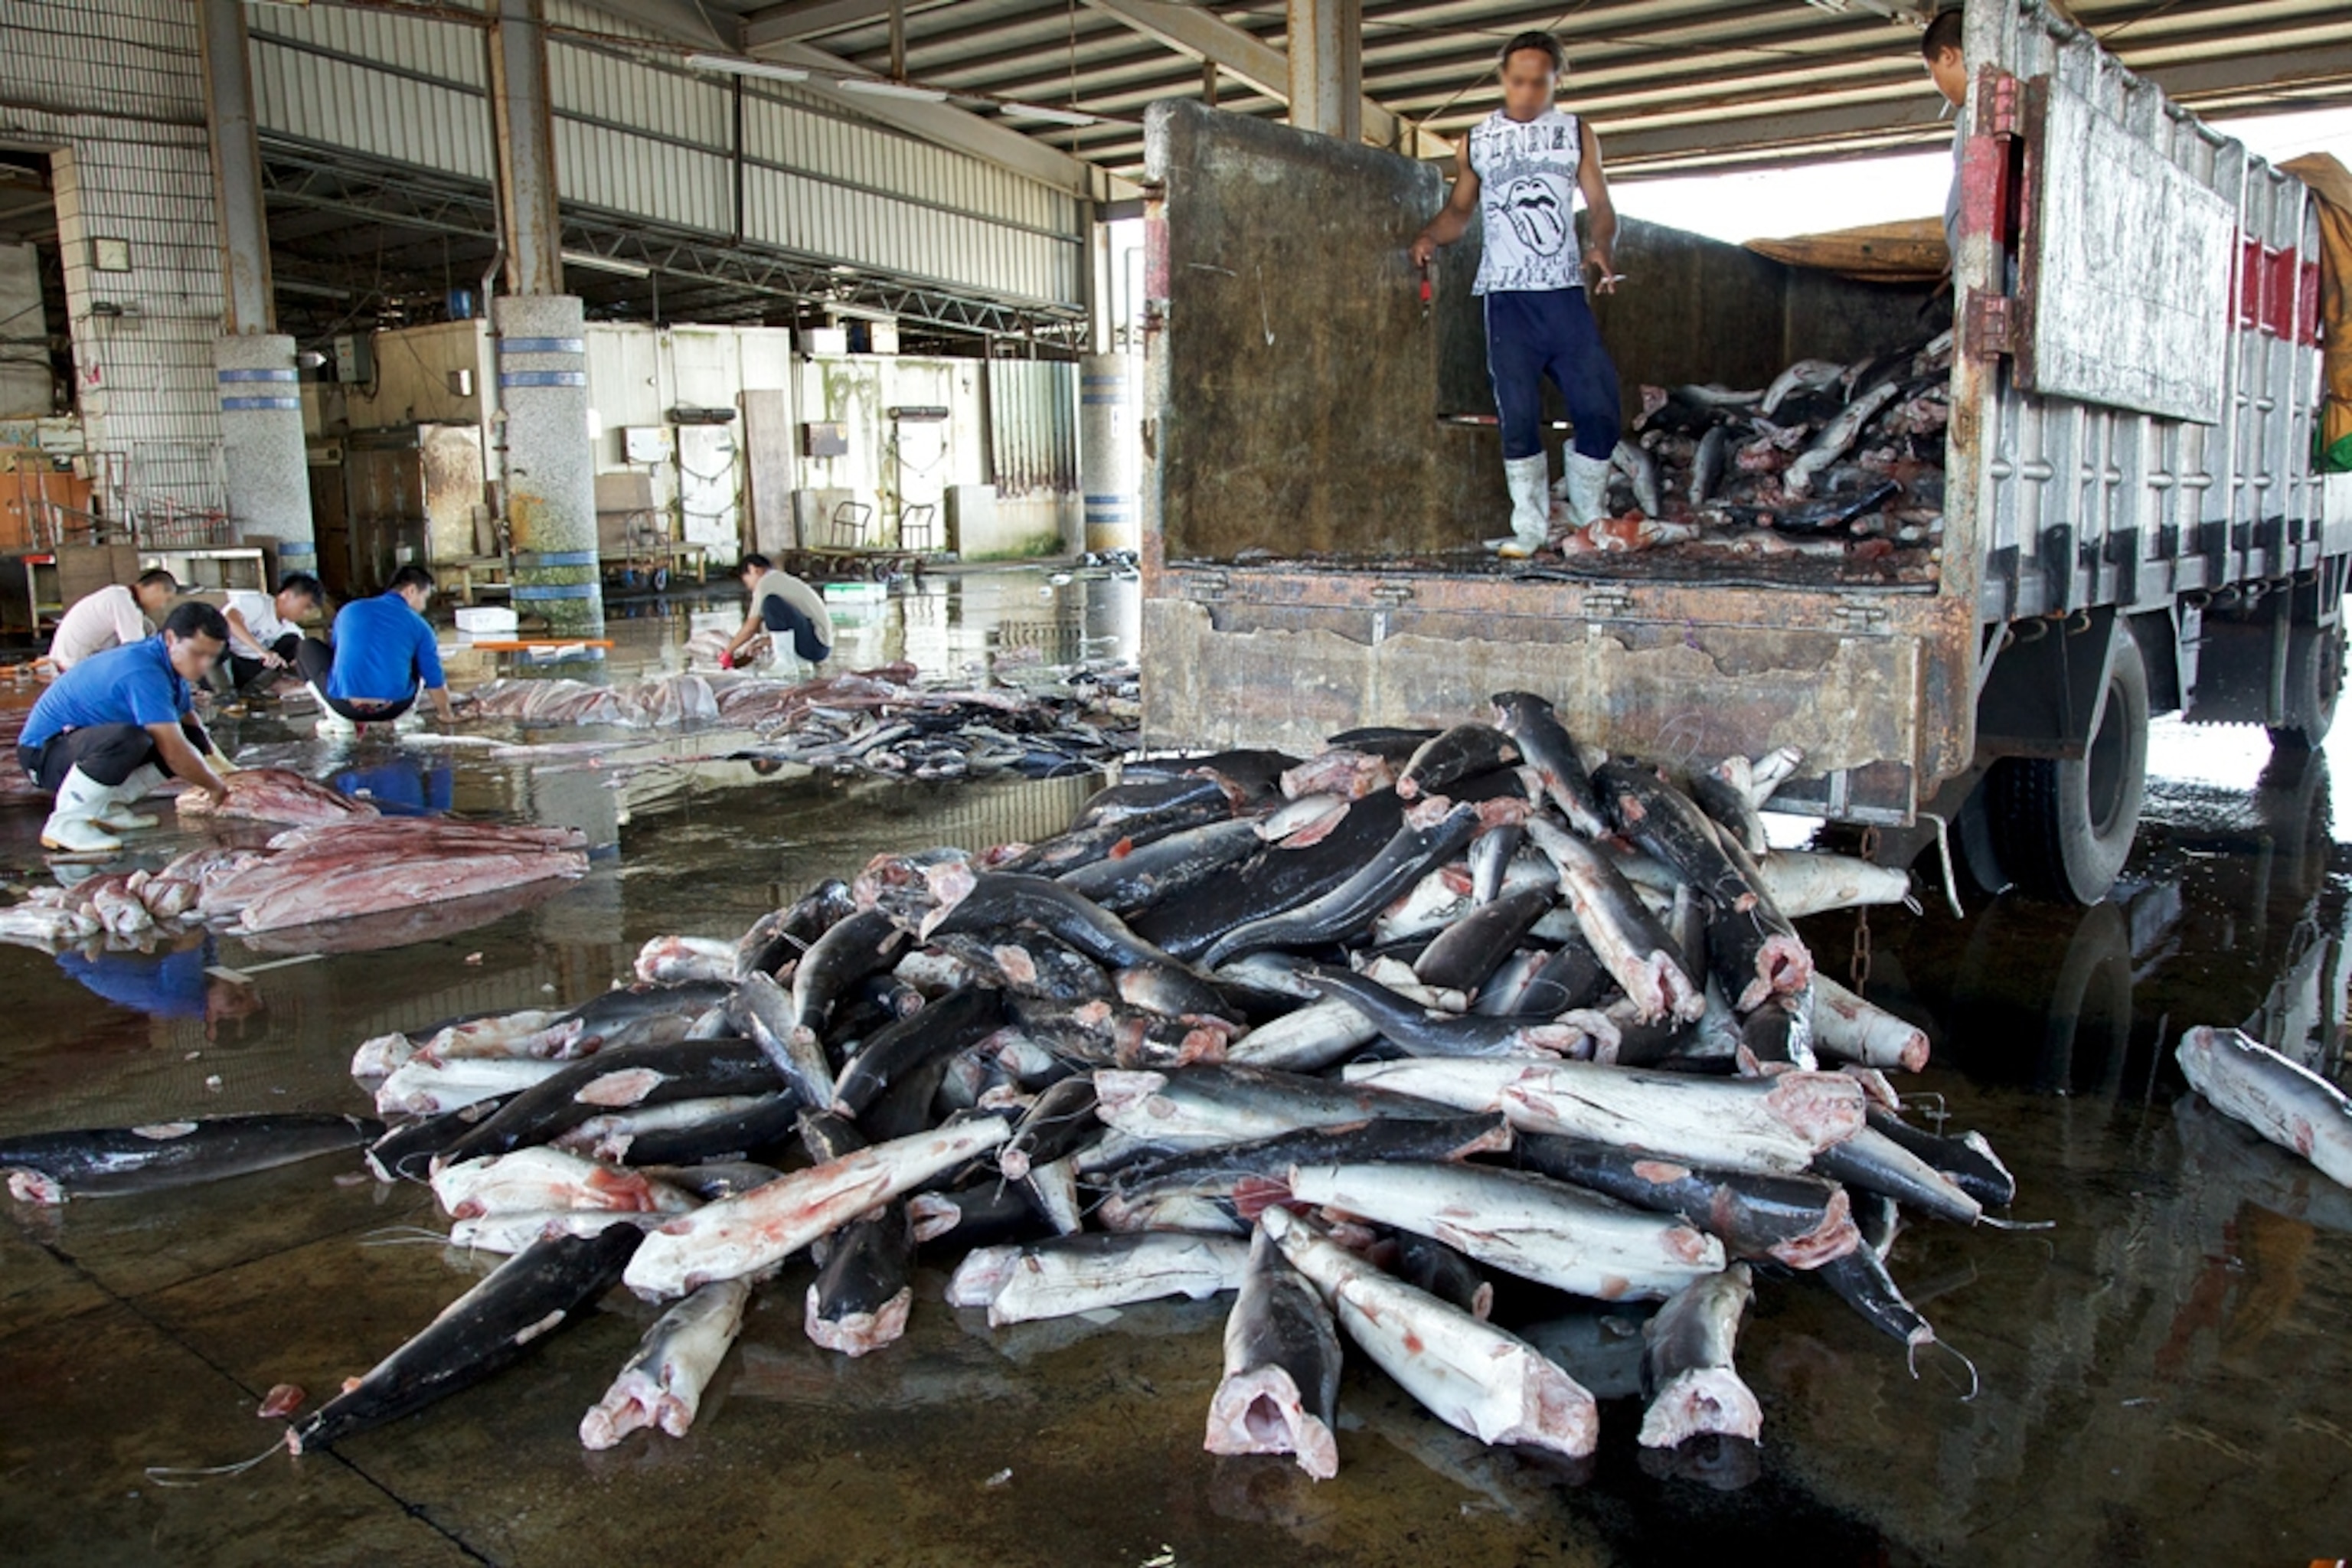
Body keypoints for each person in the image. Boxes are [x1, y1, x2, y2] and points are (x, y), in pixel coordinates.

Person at [1412, 31, 1624, 559]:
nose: (1527, 92)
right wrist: (1430, 236)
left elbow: (1600, 205)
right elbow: (1459, 212)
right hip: (1507, 300)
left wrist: (1601, 246)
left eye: (1539, 82)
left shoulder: (1576, 134)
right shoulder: (1477, 141)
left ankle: (1589, 518)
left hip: (1563, 296)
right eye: (1518, 81)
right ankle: (1529, 527)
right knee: (1518, 415)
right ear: (1504, 79)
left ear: (1556, 81)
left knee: (1599, 407)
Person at [17, 601, 234, 852]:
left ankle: (106, 808)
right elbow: (174, 752)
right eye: (198, 654)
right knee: (129, 740)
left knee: (193, 740)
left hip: (82, 744)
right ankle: (66, 824)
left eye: (212, 657)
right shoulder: (143, 671)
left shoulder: (169, 665)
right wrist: (215, 786)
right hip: (43, 754)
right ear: (171, 638)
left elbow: (189, 722)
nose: (205, 665)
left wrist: (223, 765)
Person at [294, 564, 455, 737]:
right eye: (424, 598)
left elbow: (337, 656)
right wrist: (446, 714)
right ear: (411, 590)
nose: (423, 607)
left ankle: (339, 720)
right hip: (395, 708)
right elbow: (434, 677)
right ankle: (405, 720)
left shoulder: (350, 610)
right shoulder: (420, 625)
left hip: (345, 706)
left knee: (305, 647)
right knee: (420, 656)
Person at [46, 568, 178, 673]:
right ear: (156, 588)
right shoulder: (125, 604)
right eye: (166, 599)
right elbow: (136, 652)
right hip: (71, 667)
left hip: (64, 660)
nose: (162, 606)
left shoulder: (118, 594)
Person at [214, 573, 324, 694]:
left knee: (295, 643)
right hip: (227, 661)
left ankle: (256, 688)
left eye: (310, 610)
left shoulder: (292, 629)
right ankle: (221, 690)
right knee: (215, 640)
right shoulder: (258, 603)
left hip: (250, 669)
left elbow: (298, 660)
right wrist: (262, 651)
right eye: (306, 607)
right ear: (286, 595)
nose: (306, 613)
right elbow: (230, 620)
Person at [723, 554, 833, 669]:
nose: (749, 587)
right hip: (819, 646)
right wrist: (766, 641)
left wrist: (728, 652)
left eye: (747, 582)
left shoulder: (765, 583)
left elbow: (751, 628)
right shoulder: (780, 580)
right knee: (772, 605)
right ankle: (793, 661)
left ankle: (785, 664)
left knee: (771, 603)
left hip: (815, 646)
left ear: (753, 569)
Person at [1923, 5, 1968, 266]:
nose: (1936, 82)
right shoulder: (1971, 117)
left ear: (1947, 56)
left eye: (1932, 71)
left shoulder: (1981, 117)